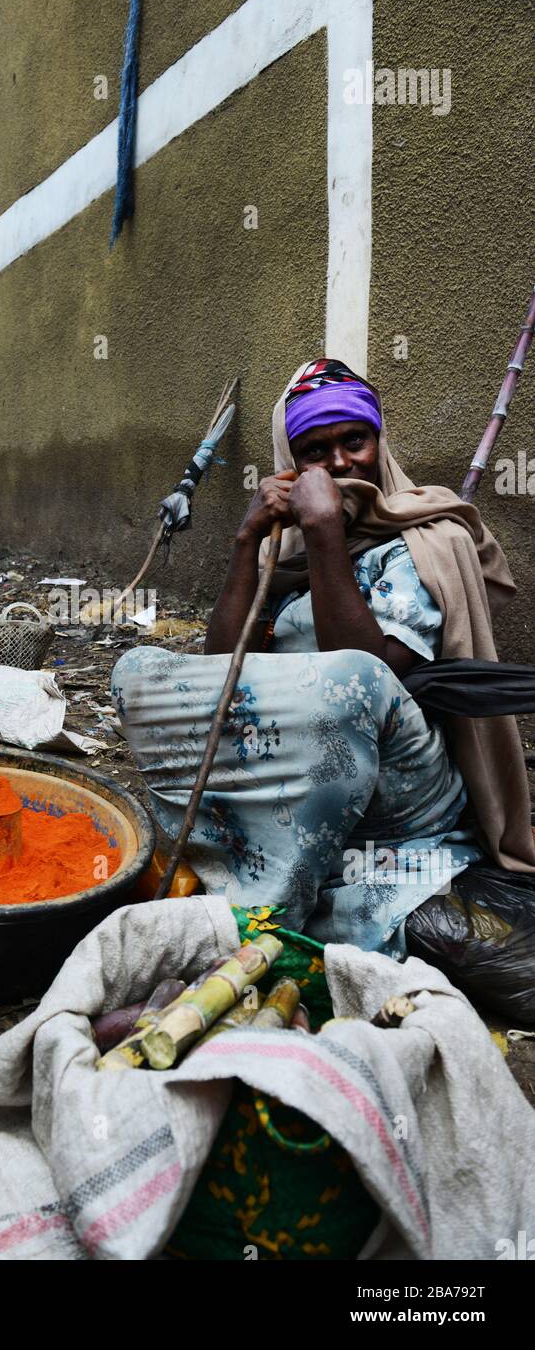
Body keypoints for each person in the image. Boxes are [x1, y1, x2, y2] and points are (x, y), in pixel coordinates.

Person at [112, 359, 535, 954]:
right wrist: (247, 542)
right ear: (291, 464)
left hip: (400, 785)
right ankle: (241, 850)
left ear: (378, 441)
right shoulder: (283, 549)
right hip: (295, 761)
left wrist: (324, 534)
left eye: (354, 441)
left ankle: (270, 906)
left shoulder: (429, 536)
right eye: (315, 451)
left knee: (351, 679)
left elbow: (372, 673)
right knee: (137, 674)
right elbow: (220, 666)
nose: (339, 464)